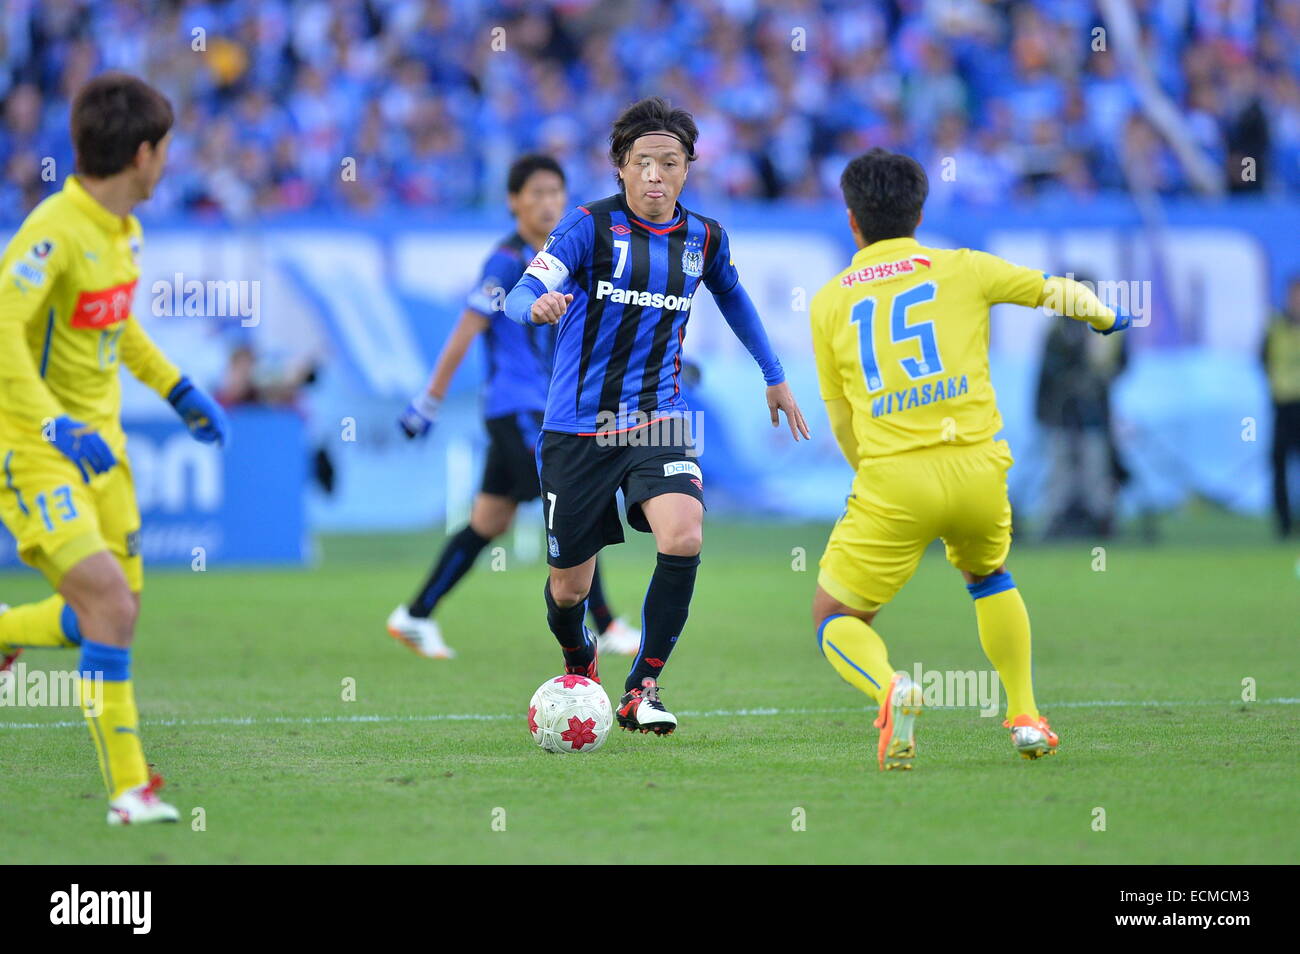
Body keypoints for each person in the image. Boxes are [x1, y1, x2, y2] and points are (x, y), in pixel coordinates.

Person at [808, 148, 1130, 769]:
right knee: (989, 577)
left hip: (895, 480)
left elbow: (842, 415)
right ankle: (1026, 715)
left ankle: (890, 689)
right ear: (920, 213)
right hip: (980, 470)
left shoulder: (827, 303)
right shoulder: (963, 267)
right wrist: (1107, 315)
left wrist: (870, 474)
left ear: (852, 220)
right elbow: (1052, 291)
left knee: (836, 616)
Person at [504, 97, 809, 735]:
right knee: (568, 592)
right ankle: (577, 655)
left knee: (685, 535)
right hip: (577, 428)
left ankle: (642, 685)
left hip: (655, 418)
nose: (654, 175)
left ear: (687, 169)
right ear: (620, 168)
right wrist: (534, 306)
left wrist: (774, 375)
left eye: (668, 163)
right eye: (642, 162)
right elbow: (523, 289)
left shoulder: (703, 237)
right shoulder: (588, 226)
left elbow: (734, 296)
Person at [0, 73, 229, 822]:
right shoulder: (51, 230)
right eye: (165, 149)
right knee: (106, 603)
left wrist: (178, 389)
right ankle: (130, 790)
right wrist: (50, 426)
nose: (167, 162)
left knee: (110, 613)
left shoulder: (124, 231)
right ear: (142, 154)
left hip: (105, 451)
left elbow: (117, 326)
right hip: (36, 449)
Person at [391, 155, 640, 658]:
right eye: (537, 193)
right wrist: (429, 402)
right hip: (517, 410)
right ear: (513, 201)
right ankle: (609, 624)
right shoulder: (505, 262)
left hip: (547, 409)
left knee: (489, 520)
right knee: (577, 494)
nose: (549, 203)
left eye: (556, 193)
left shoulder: (566, 255)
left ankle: (414, 615)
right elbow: (466, 332)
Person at [1033, 272, 1127, 538]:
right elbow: (1046, 374)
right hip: (1062, 413)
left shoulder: (1102, 327)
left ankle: (1101, 519)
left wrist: (1096, 378)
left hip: (1094, 414)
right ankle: (1057, 519)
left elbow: (1119, 365)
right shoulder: (1058, 332)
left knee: (1095, 467)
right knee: (1060, 468)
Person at [1262, 276, 1300, 537]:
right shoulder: (1275, 327)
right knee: (1279, 463)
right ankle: (1283, 524)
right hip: (1283, 405)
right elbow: (1262, 359)